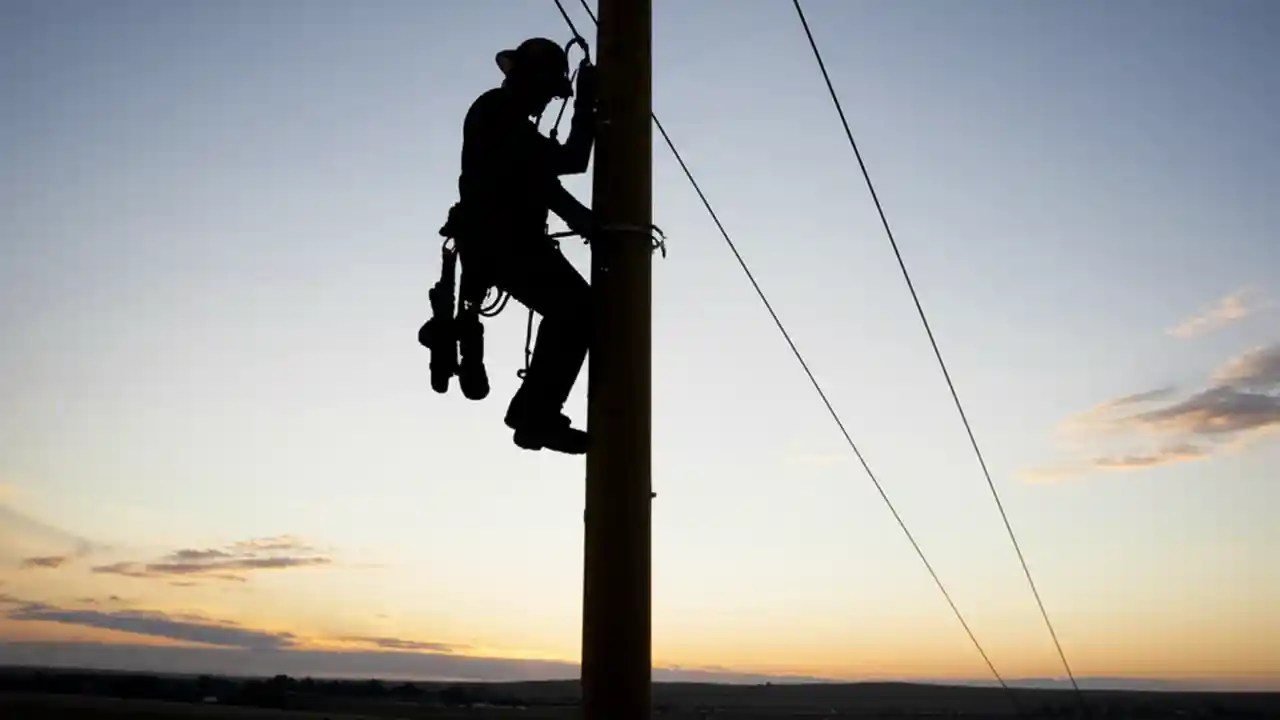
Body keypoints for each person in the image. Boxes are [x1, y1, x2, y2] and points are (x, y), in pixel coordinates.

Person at [448, 37, 599, 455]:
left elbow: (539, 182)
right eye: (547, 92)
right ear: (528, 78)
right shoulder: (496, 113)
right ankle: (535, 416)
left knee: (575, 310)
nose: (546, 103)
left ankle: (533, 412)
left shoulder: (507, 121)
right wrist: (585, 106)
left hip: (504, 242)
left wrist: (583, 220)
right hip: (503, 242)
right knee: (577, 311)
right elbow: (569, 161)